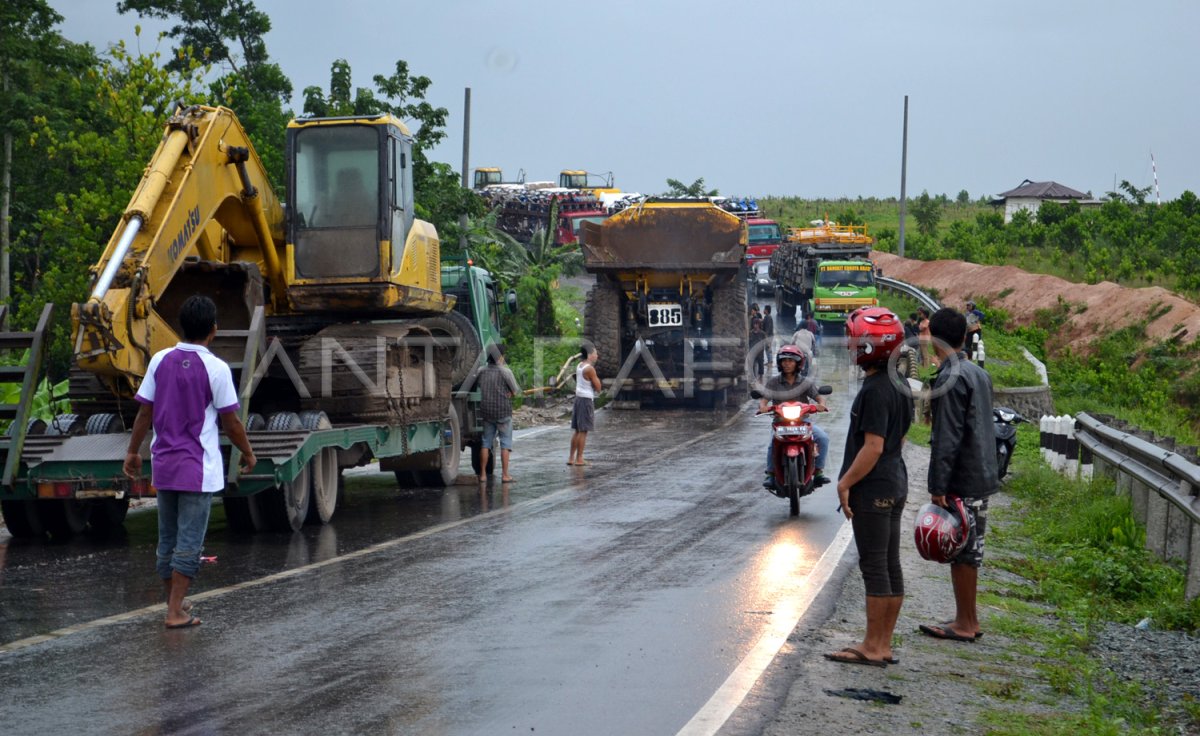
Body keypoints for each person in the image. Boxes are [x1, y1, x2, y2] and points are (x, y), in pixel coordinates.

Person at [123, 295, 255, 629]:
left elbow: (144, 412)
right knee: (189, 543)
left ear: (181, 326)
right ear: (213, 329)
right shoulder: (217, 368)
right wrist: (249, 453)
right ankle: (174, 612)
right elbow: (232, 423)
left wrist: (133, 451)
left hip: (164, 465)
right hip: (198, 469)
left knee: (167, 540)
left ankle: (175, 604)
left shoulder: (159, 361)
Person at [826, 307, 912, 667]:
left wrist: (845, 483)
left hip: (874, 486)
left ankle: (874, 646)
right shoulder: (900, 383)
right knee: (889, 564)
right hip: (895, 480)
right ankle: (882, 644)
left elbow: (872, 446)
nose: (849, 346)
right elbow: (899, 438)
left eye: (854, 340)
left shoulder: (875, 391)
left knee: (875, 565)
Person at [918, 307, 998, 643]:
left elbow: (947, 437)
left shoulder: (949, 378)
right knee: (970, 549)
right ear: (964, 337)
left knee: (963, 550)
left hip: (963, 476)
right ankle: (967, 617)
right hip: (982, 472)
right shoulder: (977, 373)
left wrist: (938, 484)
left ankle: (965, 623)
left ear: (934, 340)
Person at [758, 345, 829, 490]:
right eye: (784, 360)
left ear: (798, 363)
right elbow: (764, 400)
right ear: (780, 363)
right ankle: (770, 474)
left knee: (822, 438)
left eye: (791, 360)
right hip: (780, 424)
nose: (787, 363)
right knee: (773, 443)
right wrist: (763, 407)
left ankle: (819, 471)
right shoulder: (773, 382)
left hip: (803, 422)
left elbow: (818, 397)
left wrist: (821, 404)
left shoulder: (805, 382)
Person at [477, 343, 520, 484]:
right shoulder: (505, 372)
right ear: (500, 357)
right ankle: (505, 475)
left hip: (486, 412)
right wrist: (508, 393)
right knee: (505, 444)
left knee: (485, 443)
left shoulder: (481, 371)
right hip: (503, 413)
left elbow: (479, 386)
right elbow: (514, 391)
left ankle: (482, 475)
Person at [568, 344, 602, 466]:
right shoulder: (590, 369)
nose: (597, 355)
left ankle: (571, 458)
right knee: (583, 431)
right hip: (586, 400)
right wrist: (597, 381)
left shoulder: (579, 365)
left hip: (578, 398)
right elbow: (598, 388)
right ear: (589, 355)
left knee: (577, 430)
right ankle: (580, 459)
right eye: (595, 353)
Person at [749, 310, 767, 379]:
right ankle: (753, 377)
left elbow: (765, 341)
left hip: (760, 352)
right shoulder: (750, 333)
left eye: (757, 324)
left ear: (759, 325)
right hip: (752, 351)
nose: (755, 325)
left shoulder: (762, 333)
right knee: (752, 364)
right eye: (754, 324)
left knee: (761, 363)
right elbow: (748, 342)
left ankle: (761, 377)